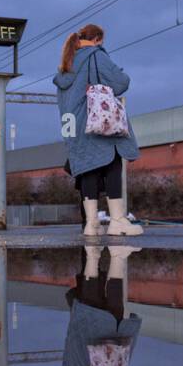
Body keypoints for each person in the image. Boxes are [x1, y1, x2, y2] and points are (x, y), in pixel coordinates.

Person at [54, 24, 142, 238]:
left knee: (88, 169)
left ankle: (92, 224)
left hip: (74, 125)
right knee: (112, 161)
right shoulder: (96, 55)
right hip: (97, 122)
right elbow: (121, 83)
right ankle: (117, 221)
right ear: (97, 39)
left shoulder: (66, 64)